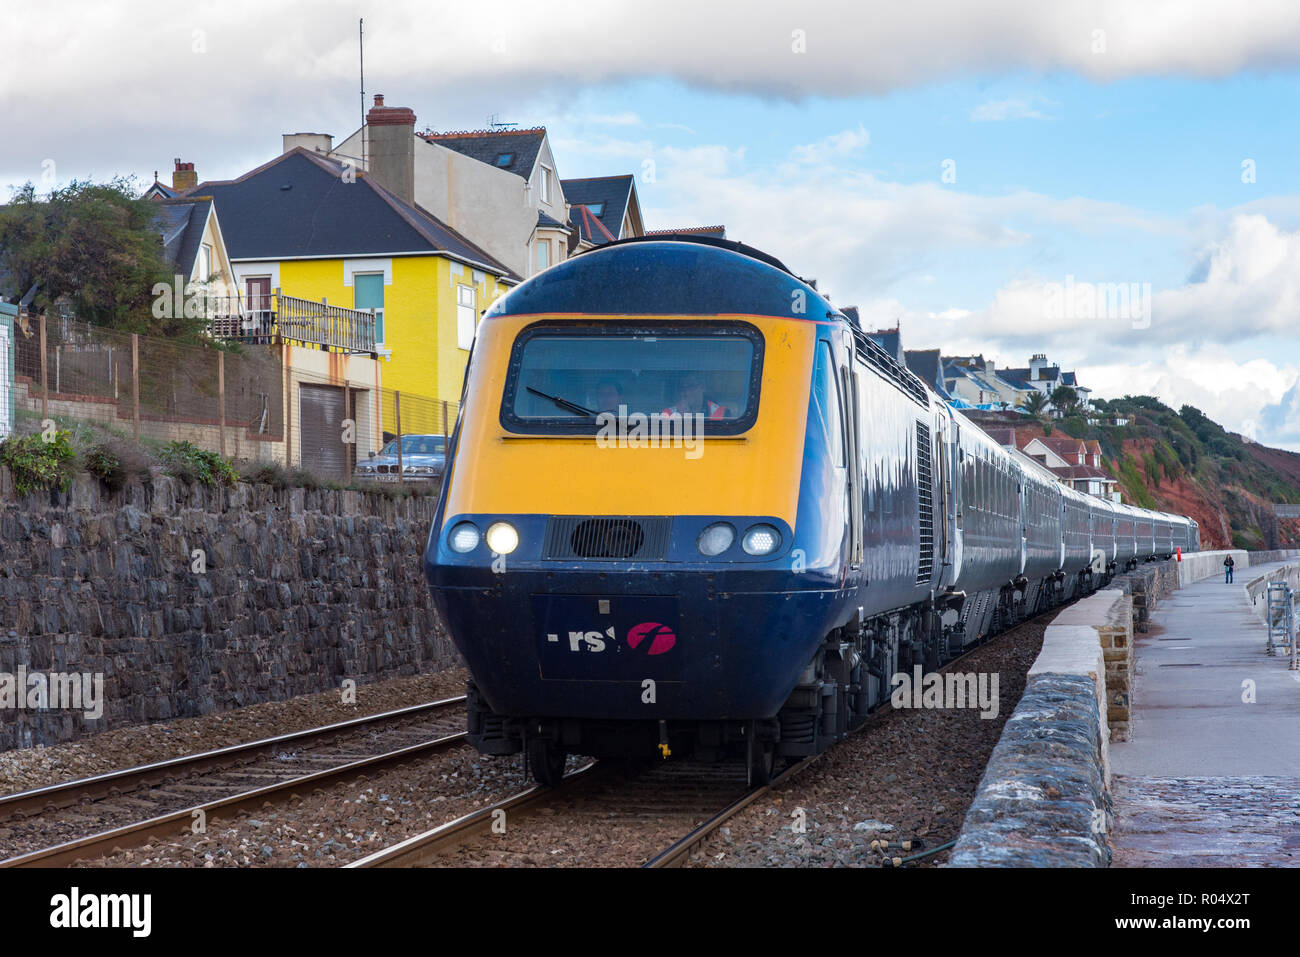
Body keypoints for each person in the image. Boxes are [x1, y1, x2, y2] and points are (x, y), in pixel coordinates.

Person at [661, 373, 728, 419]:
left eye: (691, 386)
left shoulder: (721, 413)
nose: (686, 392)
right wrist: (680, 418)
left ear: (702, 387)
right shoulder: (668, 413)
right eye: (682, 388)